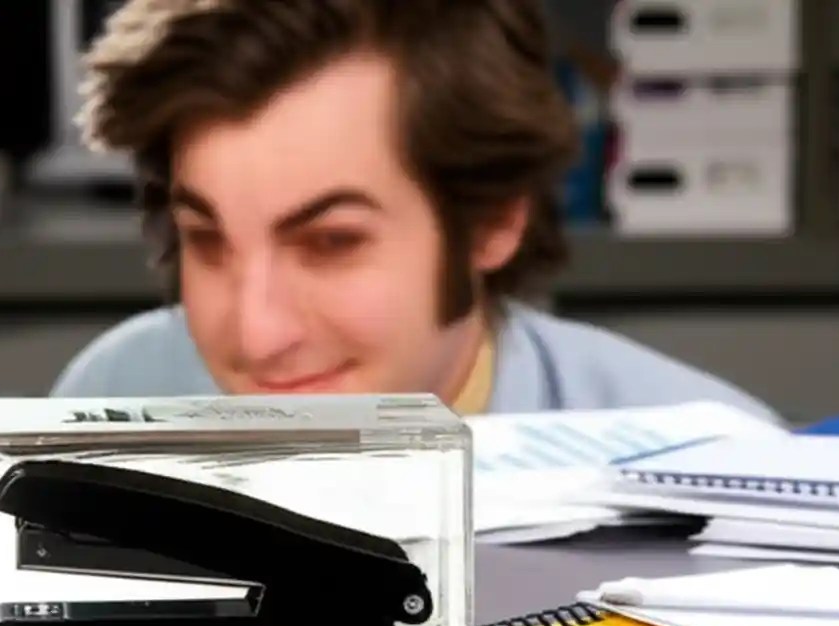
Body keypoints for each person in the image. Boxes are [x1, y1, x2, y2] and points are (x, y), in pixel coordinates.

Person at [51, 0, 778, 422]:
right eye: (207, 240)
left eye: (332, 242)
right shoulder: (114, 394)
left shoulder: (717, 470)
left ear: (492, 221)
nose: (256, 334)